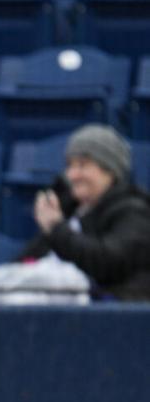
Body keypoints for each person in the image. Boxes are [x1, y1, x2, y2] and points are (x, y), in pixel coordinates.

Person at [22, 124, 150, 302]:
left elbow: (107, 263)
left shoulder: (134, 211)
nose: (72, 175)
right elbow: (25, 262)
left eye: (82, 165)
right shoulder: (70, 210)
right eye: (70, 166)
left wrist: (56, 228)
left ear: (110, 171)